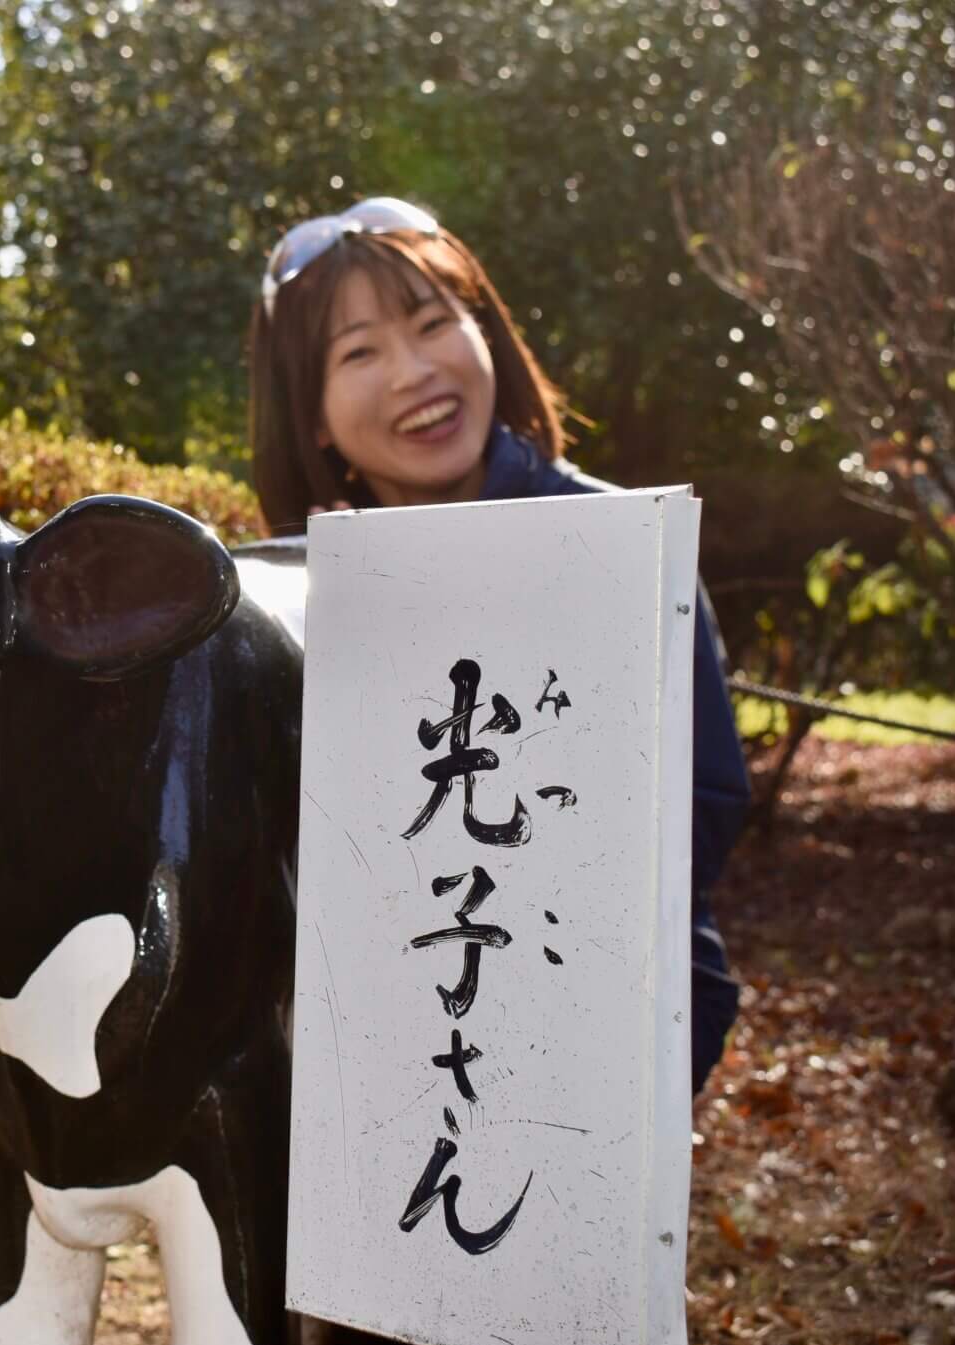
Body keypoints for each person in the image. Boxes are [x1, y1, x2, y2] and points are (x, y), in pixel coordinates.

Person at [248, 197, 747, 1095]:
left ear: (487, 336)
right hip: (380, 1035)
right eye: (359, 352)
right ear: (312, 416)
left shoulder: (624, 544)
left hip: (603, 1019)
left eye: (434, 323)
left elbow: (704, 809)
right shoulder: (295, 597)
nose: (412, 372)